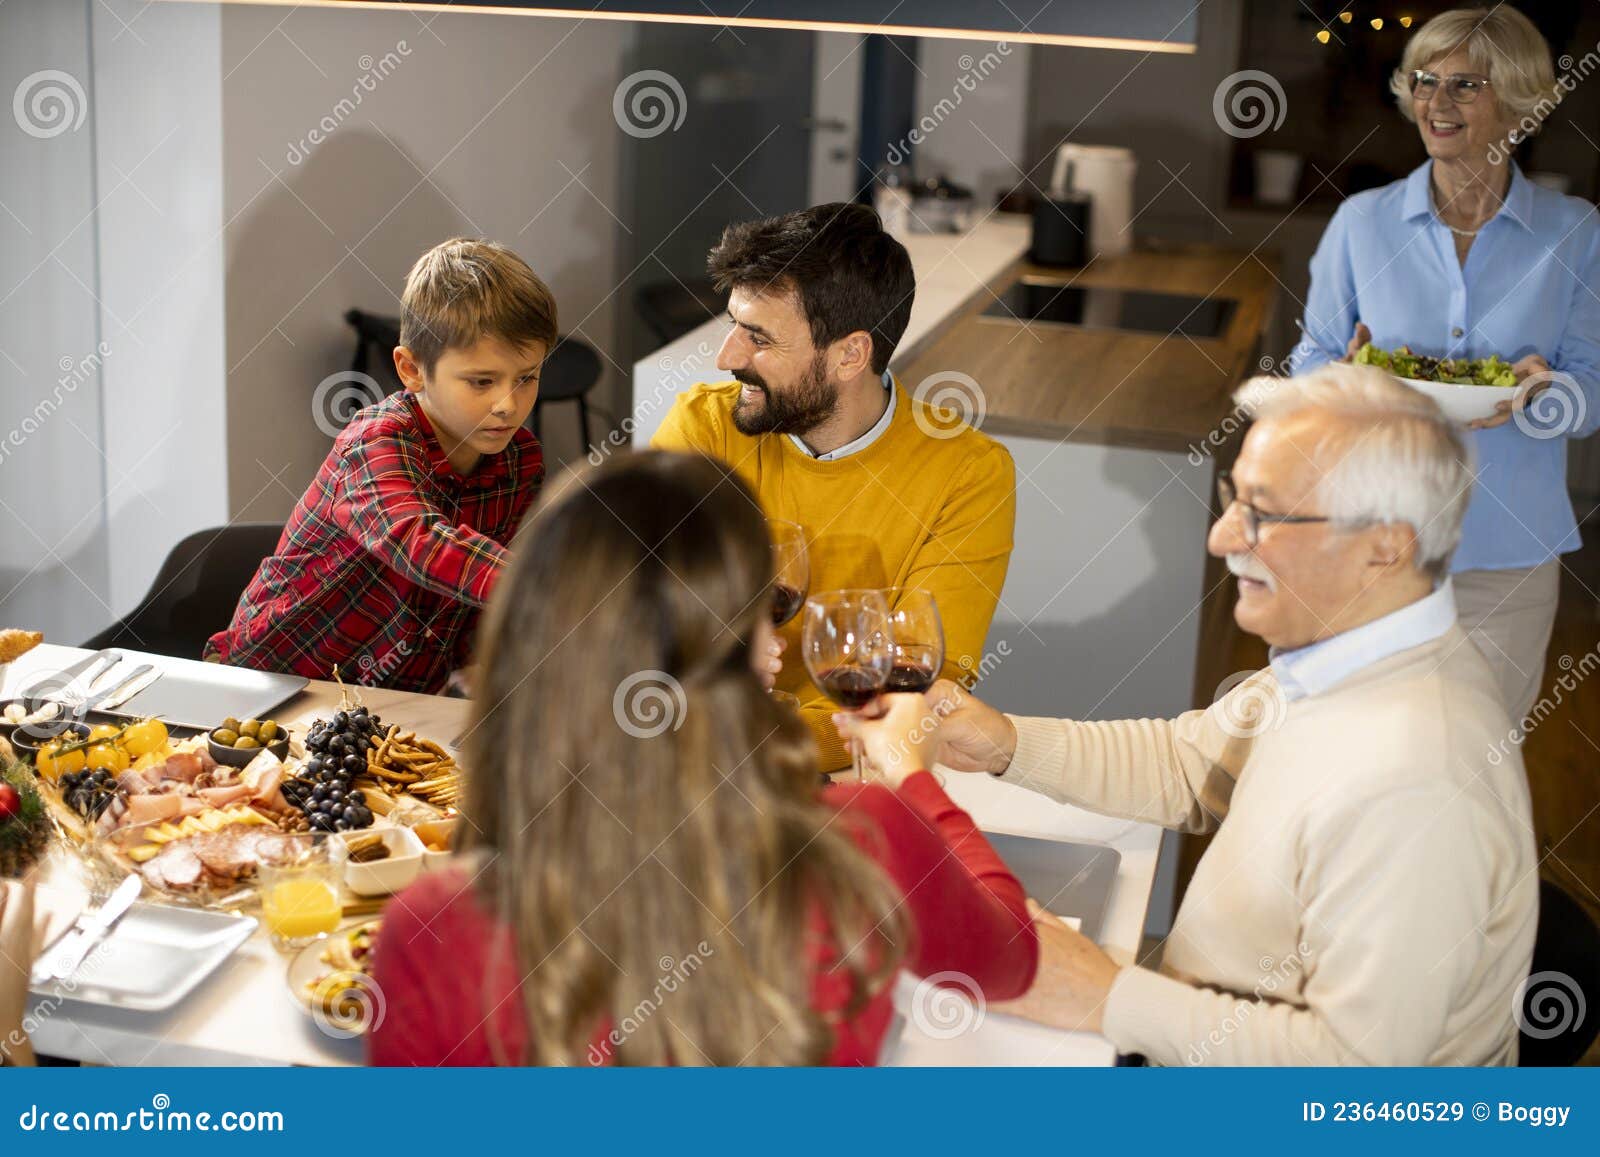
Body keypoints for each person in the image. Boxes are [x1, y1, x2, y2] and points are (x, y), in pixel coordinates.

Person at [847, 366, 1538, 1065]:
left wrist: (1104, 994)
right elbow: (1192, 762)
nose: (1223, 536)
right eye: (1233, 499)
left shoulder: (1416, 775)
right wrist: (1005, 743)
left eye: (1264, 514)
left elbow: (1353, 1074)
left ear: (1385, 544)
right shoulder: (1348, 652)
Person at [367, 451, 1037, 1066]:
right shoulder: (865, 839)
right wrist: (915, 778)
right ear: (747, 647)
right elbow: (1012, 951)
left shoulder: (425, 930)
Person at [1289, 5, 1600, 723]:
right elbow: (1311, 363)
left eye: (1466, 86)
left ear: (1519, 102)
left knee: (1479, 759)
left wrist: (1546, 394)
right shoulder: (1362, 223)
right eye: (1425, 82)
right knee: (1361, 743)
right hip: (1376, 541)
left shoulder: (1574, 232)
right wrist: (1348, 382)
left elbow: (1591, 388)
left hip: (1509, 553)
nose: (1437, 102)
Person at [652, 203, 1016, 771]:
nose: (727, 358)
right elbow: (629, 613)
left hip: (854, 780)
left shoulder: (968, 473)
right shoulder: (704, 429)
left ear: (850, 355)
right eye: (733, 327)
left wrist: (761, 738)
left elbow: (921, 690)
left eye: (759, 338)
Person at [206, 238, 556, 693]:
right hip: (272, 684)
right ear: (411, 370)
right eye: (481, 381)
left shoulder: (520, 461)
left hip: (394, 700)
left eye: (527, 378)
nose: (508, 405)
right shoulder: (377, 439)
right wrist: (551, 583)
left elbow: (472, 605)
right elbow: (415, 538)